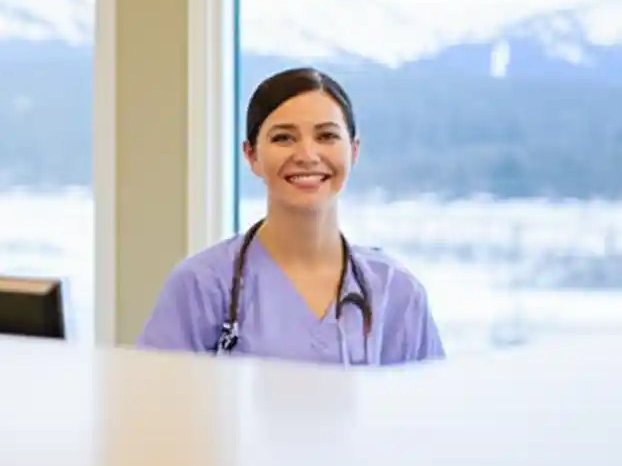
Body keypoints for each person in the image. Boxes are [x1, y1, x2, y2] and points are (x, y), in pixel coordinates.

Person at [138, 67, 444, 366]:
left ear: (354, 151)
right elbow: (154, 408)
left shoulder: (396, 293)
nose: (307, 155)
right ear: (251, 156)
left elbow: (428, 411)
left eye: (326, 136)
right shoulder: (202, 285)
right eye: (284, 138)